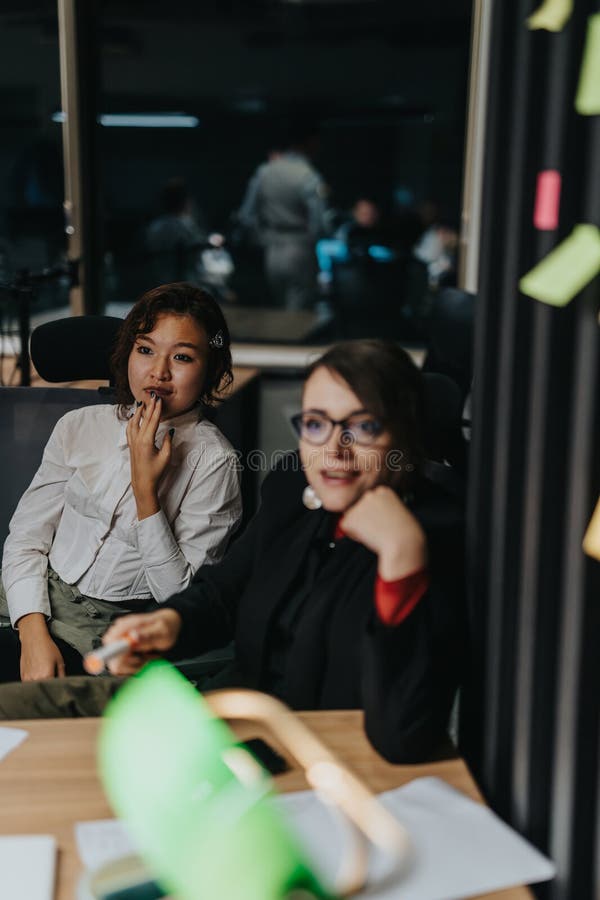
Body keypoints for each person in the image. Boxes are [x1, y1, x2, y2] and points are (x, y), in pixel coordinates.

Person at [0, 341, 464, 764]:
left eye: (363, 427)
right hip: (228, 717)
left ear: (402, 434)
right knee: (14, 711)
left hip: (310, 758)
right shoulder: (294, 486)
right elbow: (226, 591)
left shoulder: (436, 535)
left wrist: (402, 559)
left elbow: (404, 735)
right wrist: (170, 623)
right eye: (317, 424)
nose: (334, 452)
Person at [0, 282, 242, 683]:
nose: (158, 372)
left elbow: (180, 600)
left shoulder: (214, 462)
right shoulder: (78, 426)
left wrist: (147, 493)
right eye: (145, 350)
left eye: (181, 357)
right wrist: (32, 631)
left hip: (107, 629)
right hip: (28, 593)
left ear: (211, 369)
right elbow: (26, 538)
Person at [238, 126, 328, 310]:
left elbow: (246, 215)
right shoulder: (308, 175)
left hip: (272, 249)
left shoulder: (265, 171)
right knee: (298, 310)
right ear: (310, 143)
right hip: (300, 247)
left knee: (279, 307)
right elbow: (318, 223)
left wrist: (261, 237)